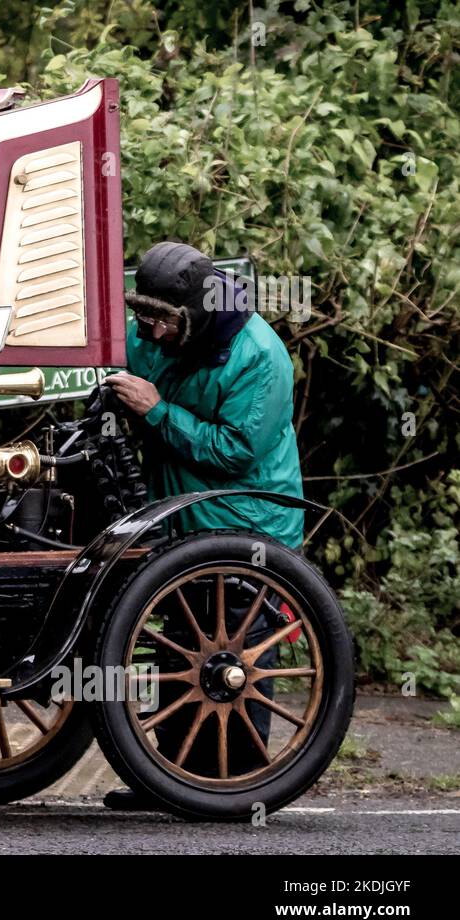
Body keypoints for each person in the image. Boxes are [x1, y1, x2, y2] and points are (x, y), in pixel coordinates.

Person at [101, 241, 305, 809]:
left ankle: (236, 789)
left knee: (233, 656)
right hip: (180, 519)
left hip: (247, 523)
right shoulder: (155, 332)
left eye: (160, 321)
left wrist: (156, 410)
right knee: (181, 651)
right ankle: (171, 781)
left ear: (193, 314)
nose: (149, 333)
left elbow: (235, 451)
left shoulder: (260, 355)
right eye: (141, 315)